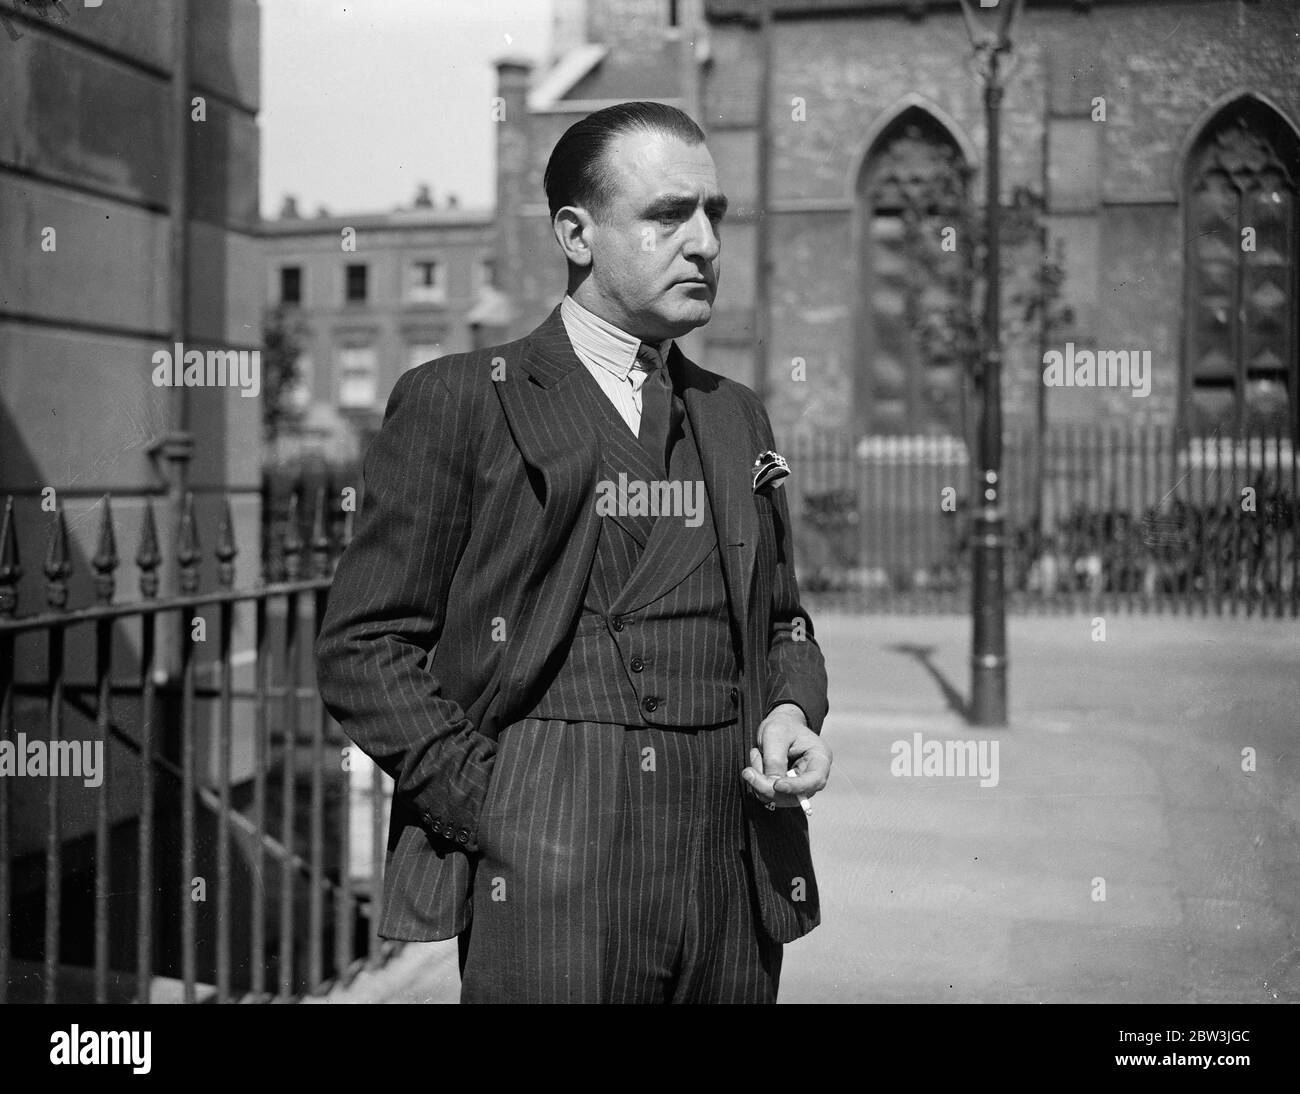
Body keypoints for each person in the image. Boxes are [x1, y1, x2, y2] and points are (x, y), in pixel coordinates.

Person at [315, 101, 831, 1004]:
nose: (706, 242)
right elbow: (364, 646)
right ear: (576, 233)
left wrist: (791, 712)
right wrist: (494, 803)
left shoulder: (732, 412)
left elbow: (782, 616)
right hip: (550, 866)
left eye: (716, 214)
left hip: (731, 860)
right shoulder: (464, 399)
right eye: (670, 215)